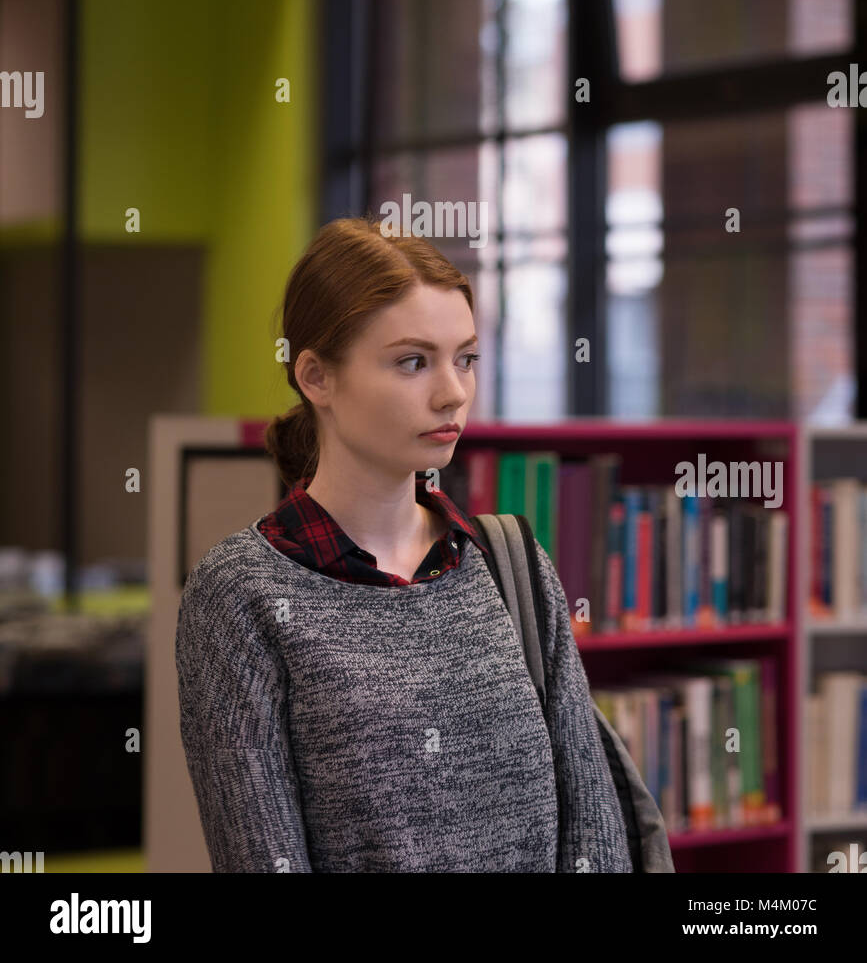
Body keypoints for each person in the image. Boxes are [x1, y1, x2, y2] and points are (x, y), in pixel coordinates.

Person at [175, 214, 635, 872]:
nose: (452, 393)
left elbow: (595, 837)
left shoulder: (508, 564)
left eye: (466, 359)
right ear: (316, 377)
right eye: (412, 362)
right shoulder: (241, 593)